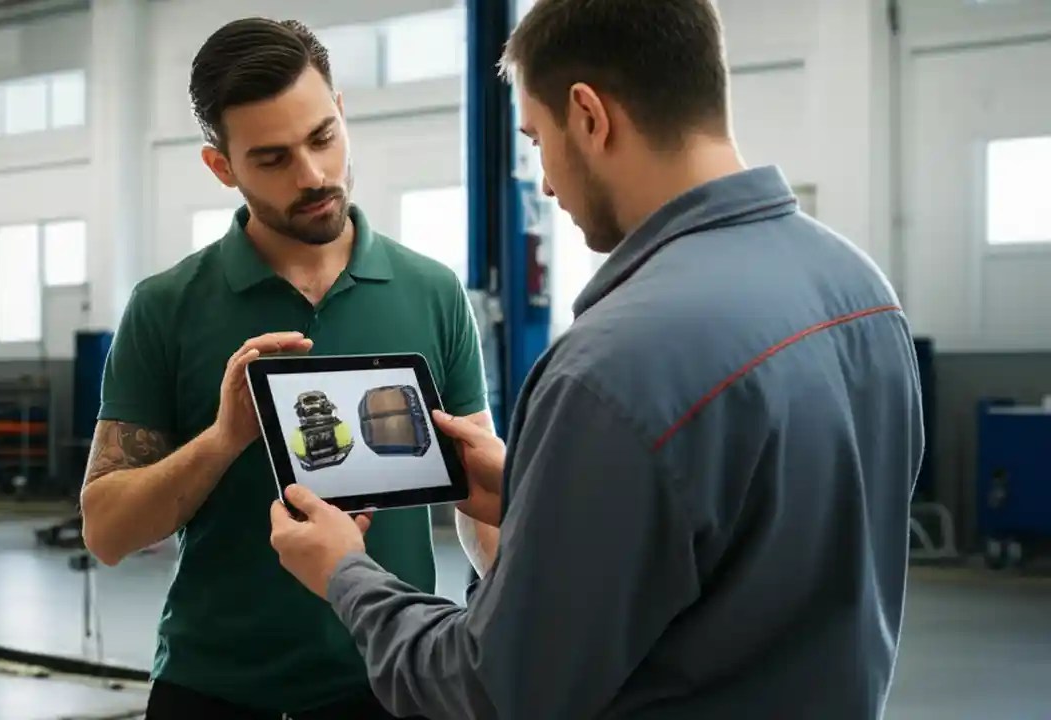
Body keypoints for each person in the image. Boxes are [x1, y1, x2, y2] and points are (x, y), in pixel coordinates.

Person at [268, 0, 925, 718]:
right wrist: (532, 488)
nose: (544, 181)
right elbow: (744, 542)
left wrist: (345, 573)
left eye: (536, 139)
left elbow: (491, 690)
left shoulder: (611, 370)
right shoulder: (861, 290)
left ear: (588, 115)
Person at [79, 17, 497, 720]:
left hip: (394, 683)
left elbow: (476, 494)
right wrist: (223, 438)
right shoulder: (166, 307)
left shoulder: (432, 292)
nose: (313, 176)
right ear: (222, 167)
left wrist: (516, 618)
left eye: (323, 138)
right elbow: (108, 531)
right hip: (216, 691)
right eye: (272, 159)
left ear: (343, 115)